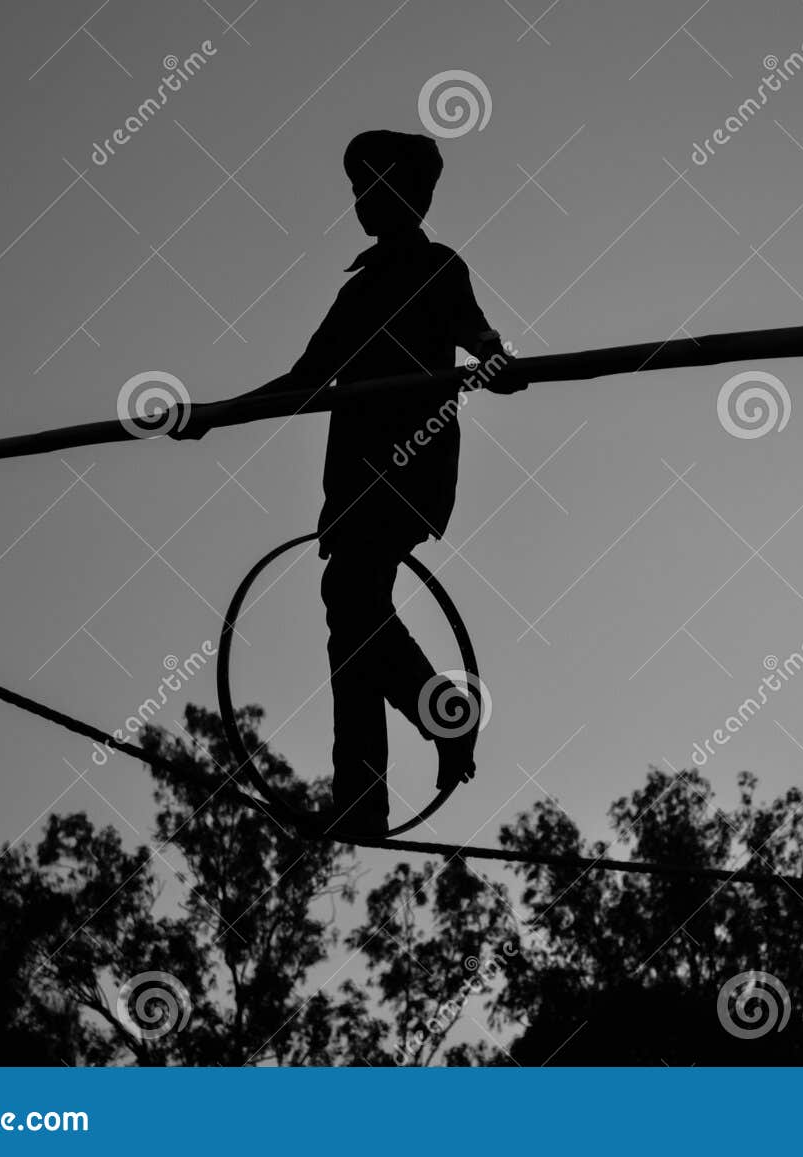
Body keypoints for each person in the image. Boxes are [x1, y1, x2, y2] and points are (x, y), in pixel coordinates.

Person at [176, 129, 525, 836]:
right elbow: (306, 381)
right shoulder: (362, 289)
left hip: (404, 466)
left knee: (353, 605)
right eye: (357, 186)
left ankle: (427, 736)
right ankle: (371, 788)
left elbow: (478, 334)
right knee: (352, 618)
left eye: (371, 185)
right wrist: (220, 415)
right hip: (358, 479)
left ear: (406, 194)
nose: (361, 199)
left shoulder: (434, 268)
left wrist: (496, 360)